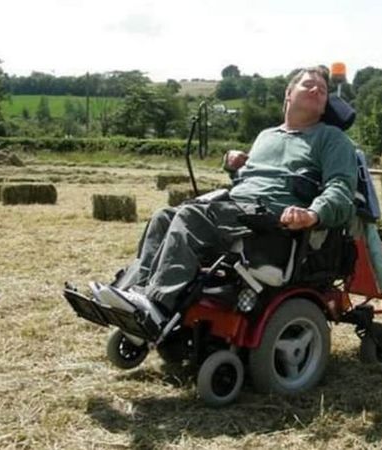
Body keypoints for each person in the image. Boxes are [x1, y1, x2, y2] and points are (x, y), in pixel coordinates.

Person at [91, 66, 358, 323]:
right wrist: (233, 167)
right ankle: (130, 296)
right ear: (289, 94)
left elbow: (342, 189)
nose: (316, 90)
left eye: (322, 89)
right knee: (163, 217)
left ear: (325, 105)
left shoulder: (332, 139)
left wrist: (313, 213)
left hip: (275, 223)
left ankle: (158, 305)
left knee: (191, 216)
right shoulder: (266, 136)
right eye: (308, 84)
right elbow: (252, 181)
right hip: (239, 207)